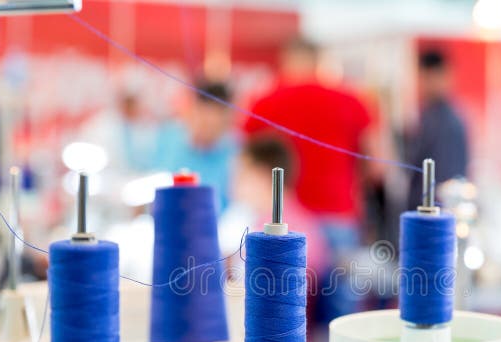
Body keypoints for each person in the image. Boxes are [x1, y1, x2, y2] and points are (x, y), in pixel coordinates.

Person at [243, 37, 378, 319]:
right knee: (340, 323)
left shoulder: (263, 102)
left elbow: (249, 164)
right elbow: (378, 164)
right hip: (339, 220)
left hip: (286, 224)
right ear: (319, 62)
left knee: (284, 321)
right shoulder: (352, 101)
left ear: (287, 60)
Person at [231, 136, 330, 279]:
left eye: (241, 176)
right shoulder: (252, 220)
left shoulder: (299, 234)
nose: (233, 185)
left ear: (261, 176)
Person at [158, 80, 238, 212]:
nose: (207, 129)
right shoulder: (169, 138)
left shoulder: (235, 154)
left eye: (215, 125)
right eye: (204, 120)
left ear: (227, 121)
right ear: (193, 110)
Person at [407, 49, 469, 210]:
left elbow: (445, 182)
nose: (425, 84)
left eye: (430, 77)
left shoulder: (446, 122)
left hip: (435, 214)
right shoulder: (428, 115)